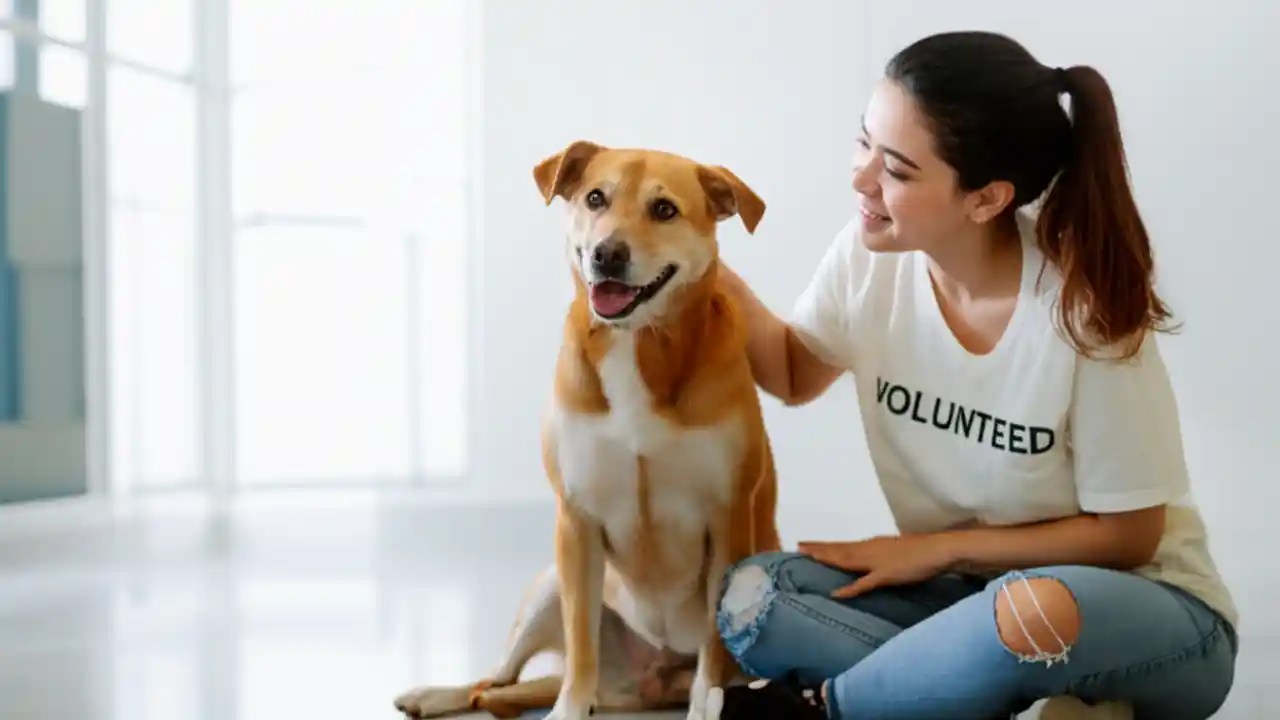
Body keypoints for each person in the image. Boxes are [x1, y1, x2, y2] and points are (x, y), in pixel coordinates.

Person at [712, 31, 1238, 720]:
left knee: (1028, 611)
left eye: (896, 170)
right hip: (965, 599)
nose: (861, 179)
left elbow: (1130, 537)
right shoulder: (868, 258)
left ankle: (826, 708)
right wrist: (696, 258)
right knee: (757, 596)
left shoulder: (1084, 310)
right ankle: (999, 697)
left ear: (986, 198)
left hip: (1144, 613)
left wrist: (935, 550)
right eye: (863, 141)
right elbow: (791, 373)